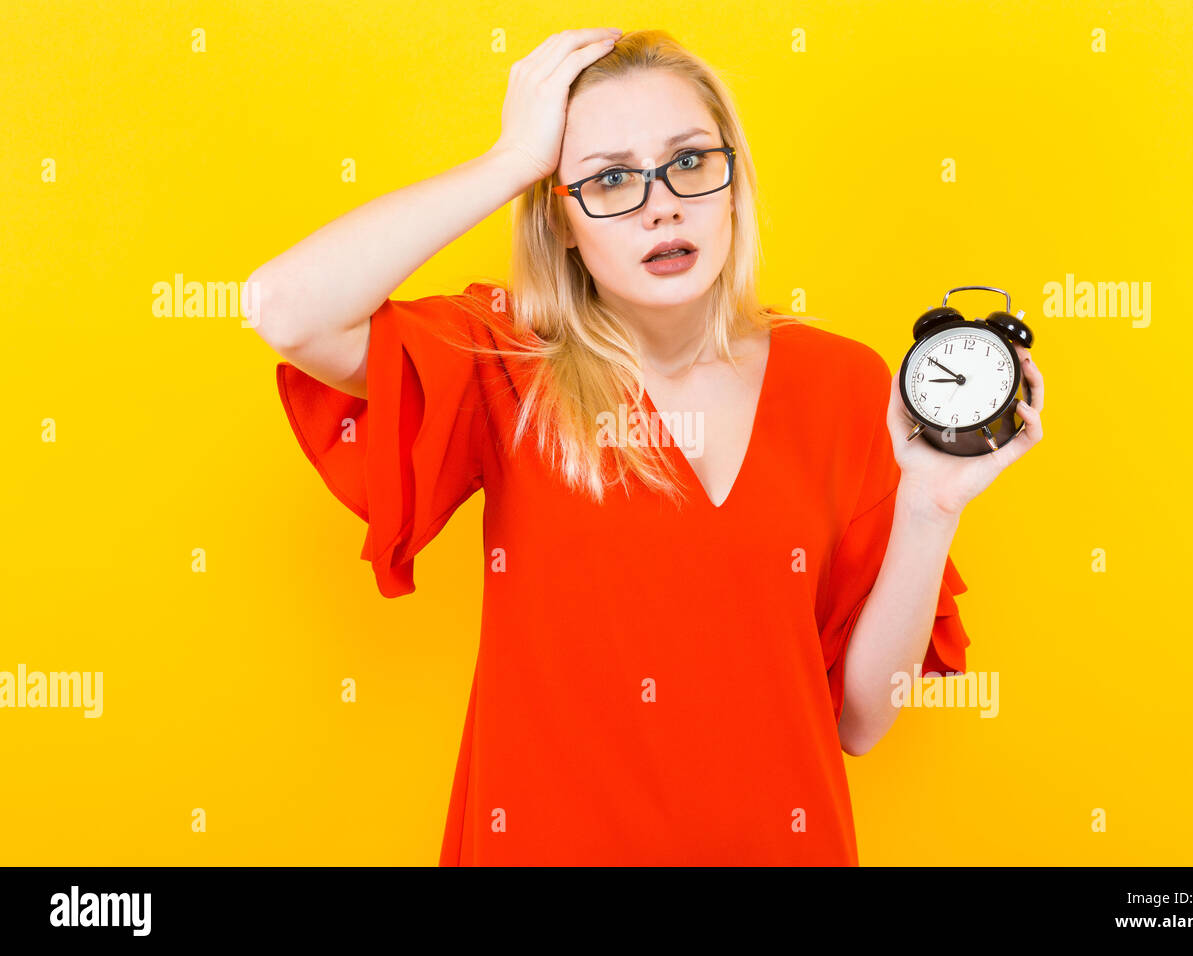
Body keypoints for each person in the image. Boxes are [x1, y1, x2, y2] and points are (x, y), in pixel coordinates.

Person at [252, 27, 1045, 866]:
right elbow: (285, 308)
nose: (661, 204)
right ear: (560, 218)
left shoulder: (843, 383)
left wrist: (930, 507)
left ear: (733, 183)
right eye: (610, 179)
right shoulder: (509, 363)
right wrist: (511, 160)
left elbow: (859, 720)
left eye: (690, 162)